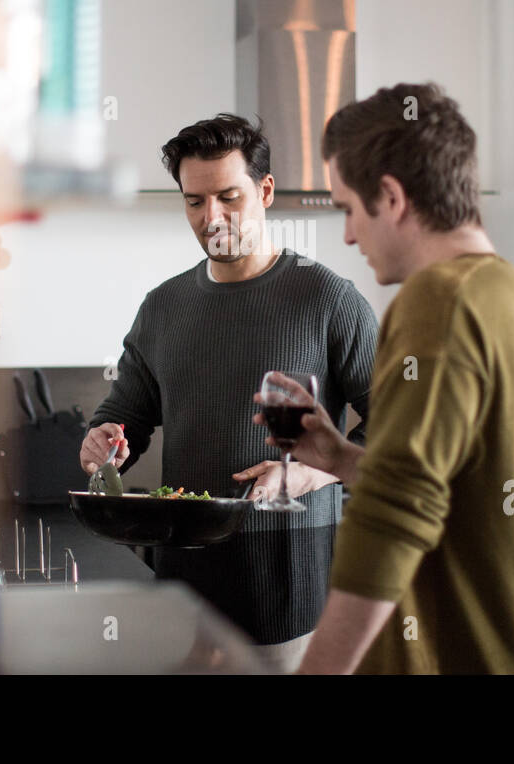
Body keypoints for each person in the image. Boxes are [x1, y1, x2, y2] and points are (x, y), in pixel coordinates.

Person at [257, 83, 514, 674]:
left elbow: (390, 521)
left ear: (392, 197)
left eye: (349, 210)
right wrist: (337, 455)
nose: (350, 235)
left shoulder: (439, 300)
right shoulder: (509, 295)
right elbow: (449, 490)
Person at [78, 114, 378, 672]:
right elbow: (124, 417)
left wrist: (313, 471)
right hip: (184, 593)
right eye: (194, 202)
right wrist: (104, 443)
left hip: (292, 593)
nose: (211, 219)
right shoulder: (163, 308)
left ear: (265, 191)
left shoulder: (328, 299)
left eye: (228, 197)